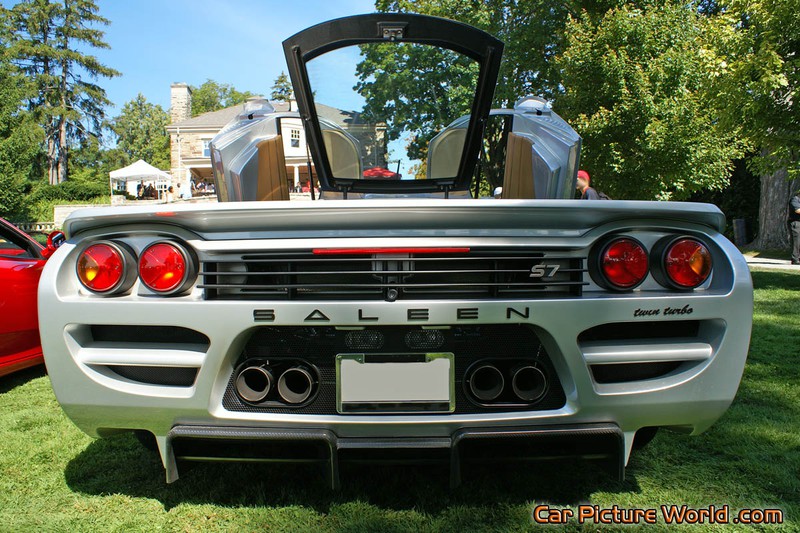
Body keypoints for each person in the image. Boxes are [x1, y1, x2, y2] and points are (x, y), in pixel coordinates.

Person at [789, 191, 800, 265]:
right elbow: (798, 210)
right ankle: (795, 259)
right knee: (796, 241)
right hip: (796, 222)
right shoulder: (795, 199)